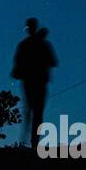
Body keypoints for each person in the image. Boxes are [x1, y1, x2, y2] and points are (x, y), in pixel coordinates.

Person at [12, 17, 57, 145]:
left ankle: (31, 140)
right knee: (35, 111)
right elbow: (53, 61)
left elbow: (53, 61)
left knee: (33, 110)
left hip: (35, 81)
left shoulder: (28, 45)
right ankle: (32, 140)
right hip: (35, 81)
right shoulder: (36, 44)